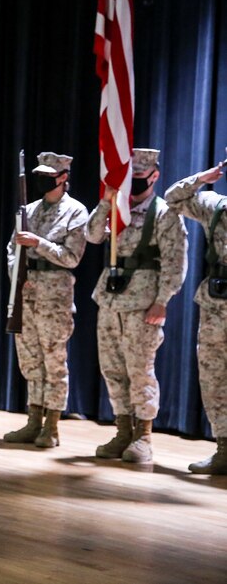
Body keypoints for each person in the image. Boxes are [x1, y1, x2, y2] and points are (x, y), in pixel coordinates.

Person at [86, 148, 187, 464]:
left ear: (155, 176)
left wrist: (162, 301)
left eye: (140, 178)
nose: (135, 185)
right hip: (110, 298)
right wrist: (107, 200)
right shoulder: (117, 209)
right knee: (112, 369)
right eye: (131, 179)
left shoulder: (165, 214)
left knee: (140, 370)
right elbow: (91, 235)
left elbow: (175, 261)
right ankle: (123, 430)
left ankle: (143, 436)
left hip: (143, 303)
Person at [4, 152, 88, 448]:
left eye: (48, 176)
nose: (42, 181)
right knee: (30, 360)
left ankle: (51, 426)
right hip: (26, 292)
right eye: (38, 175)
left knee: (54, 360)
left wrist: (39, 243)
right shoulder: (30, 209)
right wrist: (17, 272)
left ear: (63, 177)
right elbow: (11, 249)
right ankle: (33, 420)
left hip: (55, 295)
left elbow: (72, 256)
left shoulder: (76, 212)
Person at [165, 159, 227, 474]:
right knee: (214, 378)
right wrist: (203, 177)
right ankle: (224, 449)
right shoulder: (214, 206)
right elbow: (172, 198)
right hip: (217, 302)